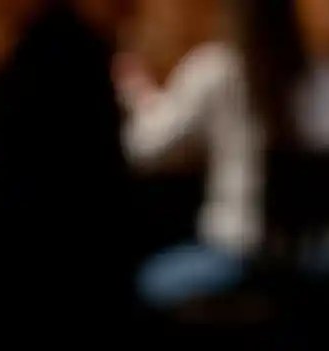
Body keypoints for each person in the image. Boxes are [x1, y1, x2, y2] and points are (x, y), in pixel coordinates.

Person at [113, 0, 264, 310]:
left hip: (235, 246)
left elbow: (145, 148)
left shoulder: (215, 65)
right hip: (279, 242)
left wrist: (135, 87)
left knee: (136, 286)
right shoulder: (264, 64)